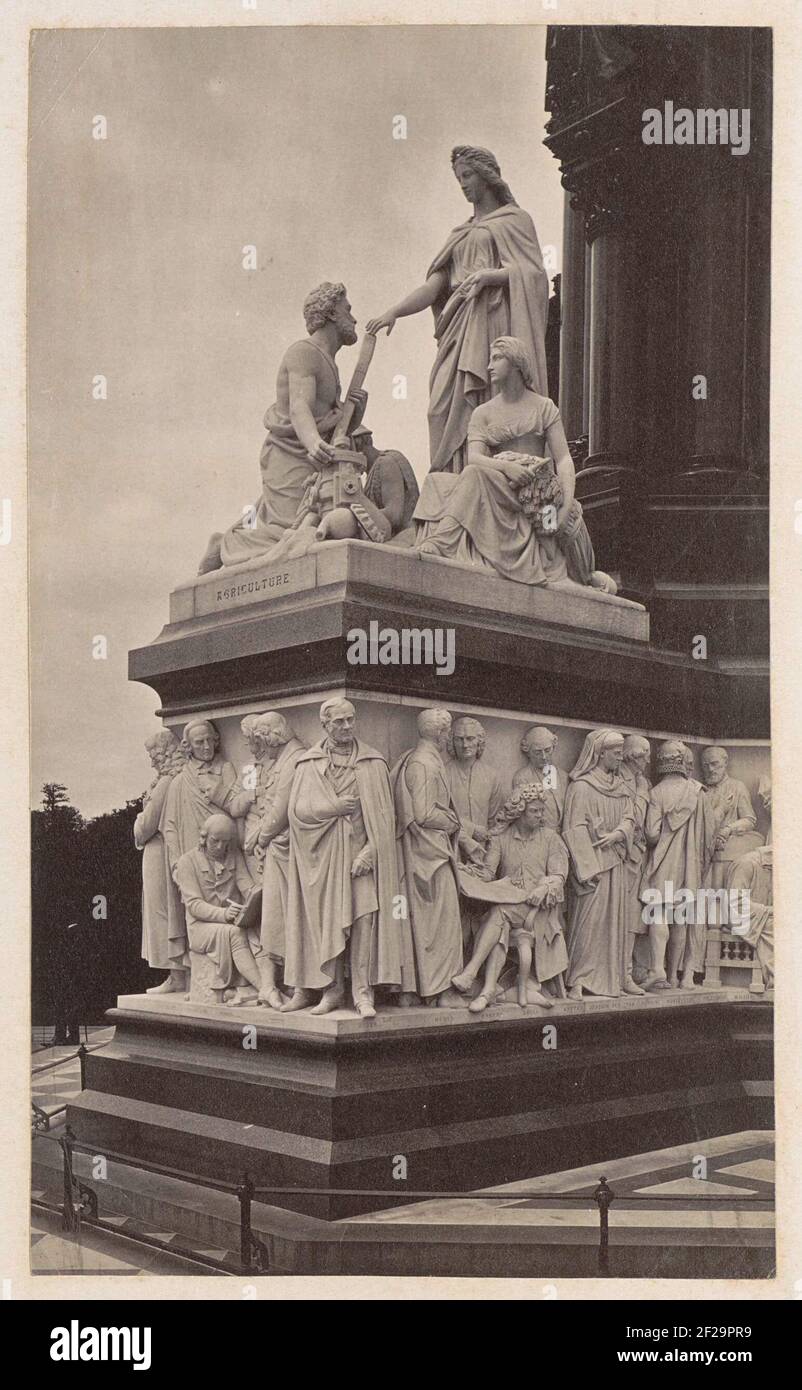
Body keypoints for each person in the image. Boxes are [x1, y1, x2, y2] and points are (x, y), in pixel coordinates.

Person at [367, 146, 550, 474]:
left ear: (487, 176)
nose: (463, 184)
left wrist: (488, 276)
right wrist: (394, 311)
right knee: (439, 408)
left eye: (467, 176)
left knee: (494, 400)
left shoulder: (515, 221)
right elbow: (433, 288)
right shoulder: (460, 234)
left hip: (496, 323)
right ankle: (452, 482)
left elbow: (534, 276)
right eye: (458, 178)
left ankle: (492, 478)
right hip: (459, 328)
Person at [413, 337, 615, 592]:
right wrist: (507, 468)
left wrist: (563, 505)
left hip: (532, 491)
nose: (489, 366)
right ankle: (443, 541)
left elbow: (563, 459)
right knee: (436, 481)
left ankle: (443, 541)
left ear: (517, 363)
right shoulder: (483, 413)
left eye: (497, 358)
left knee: (475, 475)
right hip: (500, 482)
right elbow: (474, 457)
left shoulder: (543, 407)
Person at [257, 699, 408, 1017]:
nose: (346, 726)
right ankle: (324, 989)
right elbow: (297, 813)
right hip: (320, 861)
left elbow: (385, 818)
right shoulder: (308, 763)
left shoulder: (372, 762)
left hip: (359, 859)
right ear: (324, 725)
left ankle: (362, 993)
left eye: (350, 720)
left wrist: (371, 850)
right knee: (320, 925)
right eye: (339, 722)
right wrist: (334, 807)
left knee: (364, 920)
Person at [200, 283, 366, 570]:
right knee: (287, 530)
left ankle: (238, 537)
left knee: (303, 522)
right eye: (347, 310)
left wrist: (353, 417)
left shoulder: (330, 363)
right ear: (329, 313)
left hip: (315, 458)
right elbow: (299, 407)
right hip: (290, 452)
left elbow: (327, 421)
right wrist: (313, 443)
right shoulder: (304, 352)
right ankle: (226, 544)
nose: (354, 319)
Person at [452, 786, 569, 1012]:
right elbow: (487, 874)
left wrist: (543, 888)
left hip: (539, 910)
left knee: (499, 914)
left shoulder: (550, 838)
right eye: (534, 811)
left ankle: (471, 972)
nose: (540, 815)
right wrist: (463, 870)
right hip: (508, 905)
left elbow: (558, 876)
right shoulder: (500, 839)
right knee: (501, 922)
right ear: (520, 813)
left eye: (541, 811)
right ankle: (488, 991)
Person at [391, 708, 464, 1004]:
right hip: (428, 855)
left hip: (424, 852)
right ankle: (441, 989)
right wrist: (453, 823)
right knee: (441, 923)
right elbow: (422, 813)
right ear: (440, 734)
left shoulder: (422, 759)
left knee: (426, 922)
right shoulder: (424, 764)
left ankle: (419, 988)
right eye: (448, 733)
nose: (449, 738)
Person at [639, 740, 720, 991]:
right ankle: (677, 976)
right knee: (682, 919)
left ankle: (658, 970)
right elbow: (710, 834)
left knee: (659, 914)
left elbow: (651, 834)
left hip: (664, 862)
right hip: (691, 866)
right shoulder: (698, 791)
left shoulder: (656, 792)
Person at [563, 729, 637, 1000]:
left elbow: (630, 819)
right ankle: (579, 979)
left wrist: (618, 833)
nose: (620, 758)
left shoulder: (622, 788)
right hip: (591, 869)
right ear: (599, 753)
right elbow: (573, 828)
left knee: (613, 922)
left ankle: (612, 980)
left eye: (621, 753)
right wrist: (587, 869)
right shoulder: (581, 786)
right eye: (616, 754)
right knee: (588, 923)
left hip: (615, 862)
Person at [173, 814, 260, 1006]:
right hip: (200, 928)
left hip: (230, 921)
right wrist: (223, 914)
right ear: (204, 838)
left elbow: (246, 886)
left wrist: (256, 896)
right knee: (235, 933)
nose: (220, 847)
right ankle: (265, 989)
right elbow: (194, 905)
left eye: (226, 842)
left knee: (259, 930)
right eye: (215, 841)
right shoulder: (186, 862)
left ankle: (260, 986)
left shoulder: (233, 856)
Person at [134, 729, 188, 995]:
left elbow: (145, 826)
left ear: (166, 752)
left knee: (164, 911)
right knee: (166, 910)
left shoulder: (167, 782)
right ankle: (176, 973)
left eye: (154, 754)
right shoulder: (169, 780)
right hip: (160, 851)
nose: (152, 760)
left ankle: (177, 975)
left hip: (160, 854)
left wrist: (137, 821)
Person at [511, 725, 568, 828]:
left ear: (553, 747)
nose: (544, 757)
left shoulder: (563, 777)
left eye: (547, 750)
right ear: (528, 752)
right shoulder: (522, 777)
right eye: (537, 752)